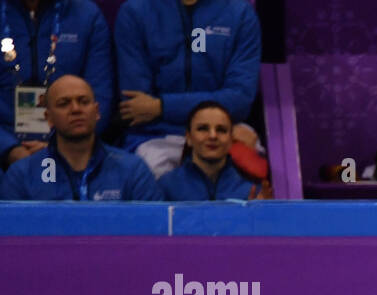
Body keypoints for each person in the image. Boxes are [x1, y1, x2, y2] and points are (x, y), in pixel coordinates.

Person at [114, 0, 262, 177]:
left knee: (250, 175)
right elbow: (137, 106)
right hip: (157, 135)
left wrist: (161, 107)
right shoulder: (135, 11)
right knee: (149, 177)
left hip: (224, 128)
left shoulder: (240, 13)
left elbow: (239, 98)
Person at [0, 73, 161, 199]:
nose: (76, 109)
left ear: (97, 112)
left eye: (83, 102)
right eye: (64, 103)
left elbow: (155, 233)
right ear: (48, 118)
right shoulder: (22, 175)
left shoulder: (133, 170)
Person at [0, 0, 113, 172]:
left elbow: (100, 97)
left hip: (71, 145)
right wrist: (10, 149)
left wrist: (57, 146)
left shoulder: (86, 14)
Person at [158, 100, 269, 200]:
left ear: (231, 139)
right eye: (203, 129)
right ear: (188, 137)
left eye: (221, 130)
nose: (213, 136)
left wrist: (258, 215)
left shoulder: (252, 189)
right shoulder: (167, 186)